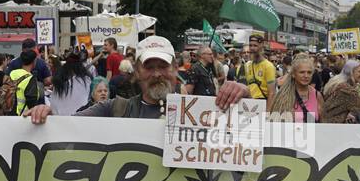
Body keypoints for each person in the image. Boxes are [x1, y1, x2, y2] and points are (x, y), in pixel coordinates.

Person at [29, 36, 248, 123]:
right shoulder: (112, 109)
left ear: (175, 69)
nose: (156, 74)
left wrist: (244, 94)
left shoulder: (202, 111)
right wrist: (49, 114)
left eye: (163, 66)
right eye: (149, 67)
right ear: (136, 72)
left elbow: (254, 129)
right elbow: (69, 125)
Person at [270, 53, 322, 124]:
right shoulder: (283, 97)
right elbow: (274, 123)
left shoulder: (317, 95)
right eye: (302, 72)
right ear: (294, 74)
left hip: (312, 134)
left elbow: (324, 123)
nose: (306, 75)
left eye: (309, 72)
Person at [49, 49, 95, 116]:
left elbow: (54, 106)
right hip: (81, 118)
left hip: (61, 119)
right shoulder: (87, 81)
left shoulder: (59, 82)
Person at [239, 32, 277, 103]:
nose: (252, 48)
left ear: (261, 45)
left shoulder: (268, 66)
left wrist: (267, 113)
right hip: (250, 103)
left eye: (255, 45)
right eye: (250, 45)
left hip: (263, 103)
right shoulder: (247, 65)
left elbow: (272, 93)